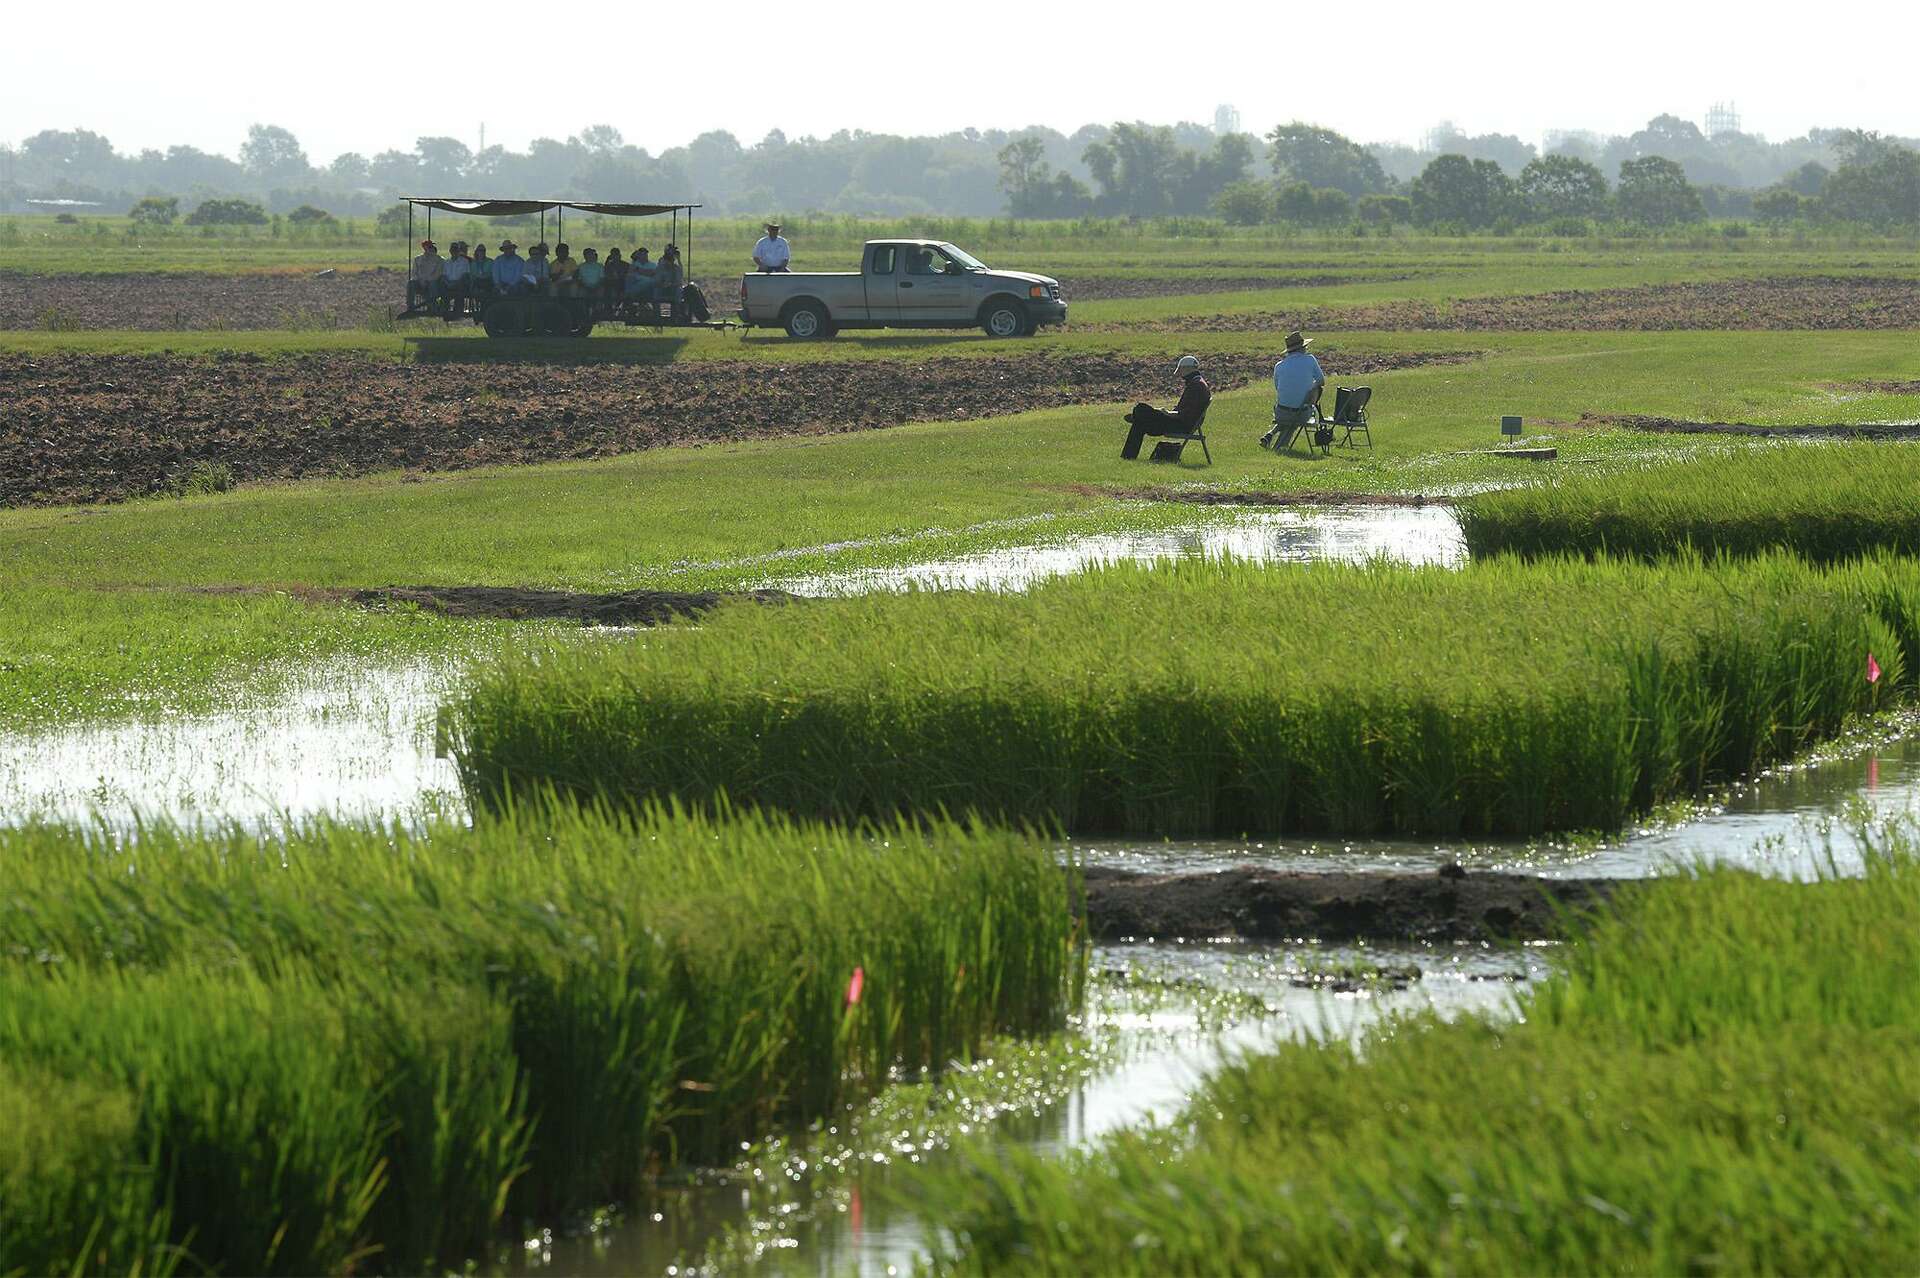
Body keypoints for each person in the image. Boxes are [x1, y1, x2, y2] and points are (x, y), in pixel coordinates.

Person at [1121, 355, 1212, 460]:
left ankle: (1128, 454)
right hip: (1182, 423)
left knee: (1140, 408)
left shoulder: (1196, 386)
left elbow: (1186, 414)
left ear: (1187, 369)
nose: (1180, 374)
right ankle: (1128, 456)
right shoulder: (1197, 383)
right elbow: (1188, 410)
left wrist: (1169, 414)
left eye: (1181, 370)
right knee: (1139, 423)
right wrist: (1168, 413)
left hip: (1181, 425)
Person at [1262, 330, 1326, 448]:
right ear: (1303, 347)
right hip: (1302, 413)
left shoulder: (1279, 365)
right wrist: (1310, 388)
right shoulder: (1310, 359)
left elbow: (1278, 388)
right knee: (1295, 418)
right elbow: (1321, 381)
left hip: (1281, 412)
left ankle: (1271, 434)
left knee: (1288, 417)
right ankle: (1280, 447)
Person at [409, 239, 444, 310]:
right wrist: (420, 280)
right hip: (420, 282)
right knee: (411, 283)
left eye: (432, 247)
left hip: (433, 282)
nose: (432, 248)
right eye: (429, 247)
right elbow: (414, 273)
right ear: (424, 248)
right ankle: (410, 306)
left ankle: (433, 306)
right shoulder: (417, 259)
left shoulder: (439, 260)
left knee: (432, 284)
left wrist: (427, 280)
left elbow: (437, 274)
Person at [441, 241, 472, 314]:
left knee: (461, 288)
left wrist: (456, 283)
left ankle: (458, 312)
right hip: (448, 284)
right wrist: (448, 283)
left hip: (460, 283)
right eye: (452, 249)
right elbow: (444, 275)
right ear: (450, 251)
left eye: (456, 249)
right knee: (442, 287)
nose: (454, 251)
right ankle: (445, 311)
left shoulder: (464, 261)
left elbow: (465, 275)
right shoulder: (446, 262)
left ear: (458, 251)